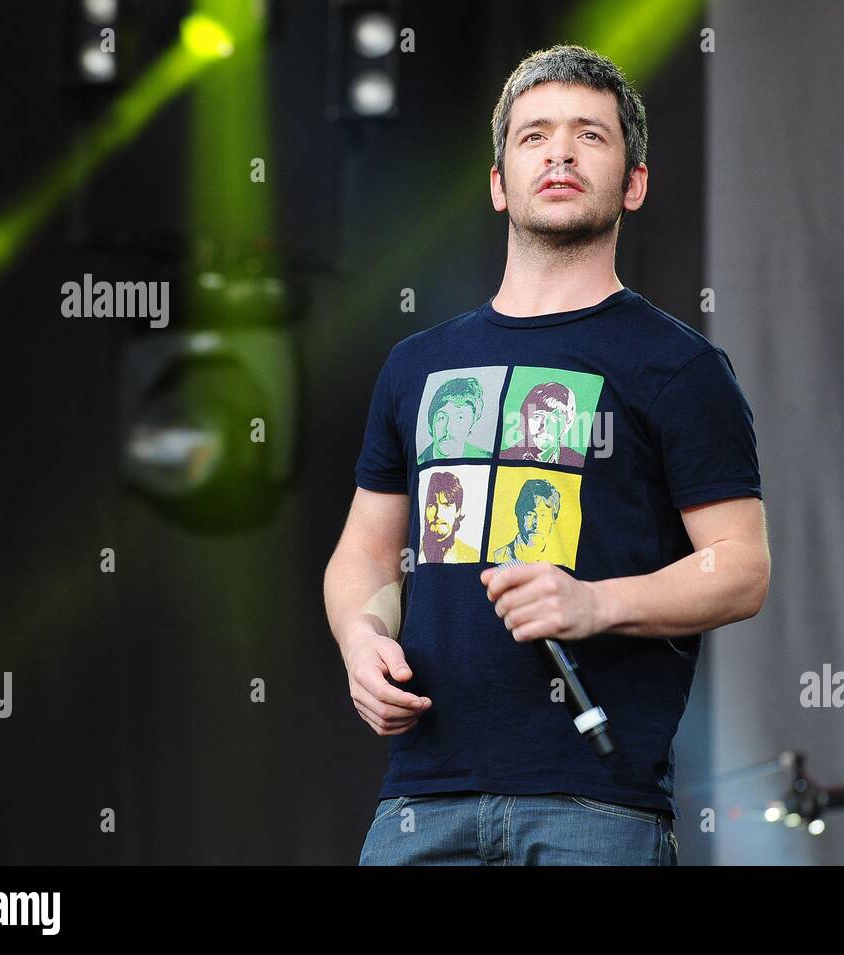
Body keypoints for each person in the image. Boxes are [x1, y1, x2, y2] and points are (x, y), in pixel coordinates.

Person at [323, 43, 769, 866]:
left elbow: (740, 566)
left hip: (594, 809)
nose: (559, 152)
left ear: (633, 182)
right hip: (421, 799)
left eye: (589, 136)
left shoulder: (680, 367)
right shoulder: (418, 365)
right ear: (499, 183)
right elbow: (365, 551)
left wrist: (595, 604)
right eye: (533, 136)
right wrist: (360, 637)